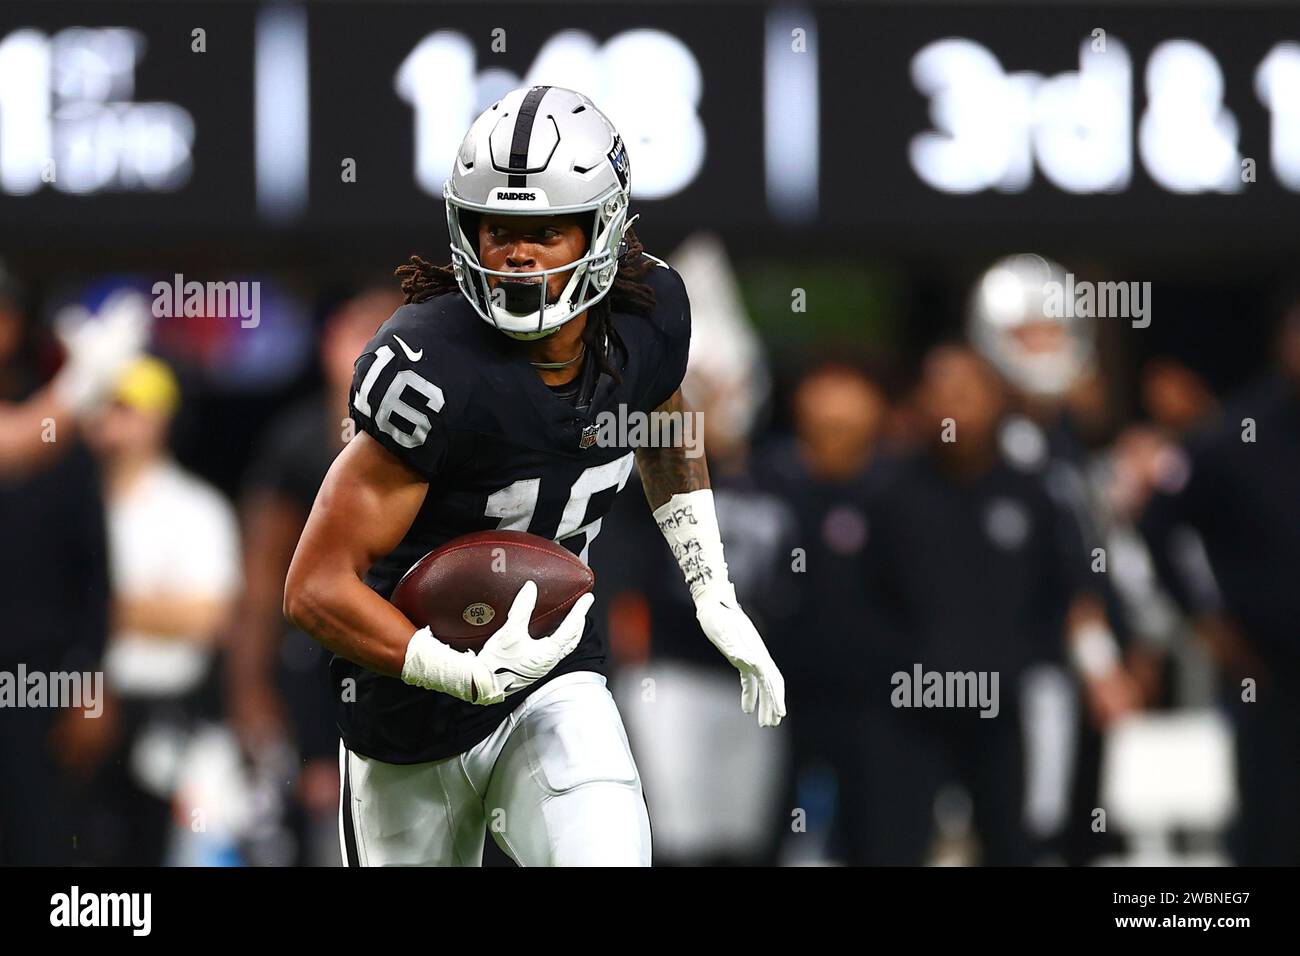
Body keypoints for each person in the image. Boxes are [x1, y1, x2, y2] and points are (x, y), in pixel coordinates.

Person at [283, 86, 785, 867]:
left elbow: (659, 419)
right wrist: (453, 669)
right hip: (405, 711)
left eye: (544, 232)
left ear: (604, 229)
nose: (516, 254)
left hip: (556, 670)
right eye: (497, 231)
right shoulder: (431, 364)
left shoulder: (648, 314)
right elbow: (313, 587)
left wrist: (709, 583)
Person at [226, 287, 401, 866]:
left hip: (411, 662)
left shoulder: (441, 437)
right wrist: (250, 690)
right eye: (358, 337)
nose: (368, 355)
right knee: (322, 834)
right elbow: (260, 577)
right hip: (315, 667)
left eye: (385, 339)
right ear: (330, 345)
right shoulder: (296, 444)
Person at [77, 356, 242, 865]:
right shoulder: (68, 506)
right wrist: (147, 610)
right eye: (104, 407)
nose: (112, 421)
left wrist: (97, 609)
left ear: (159, 417)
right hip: (71, 716)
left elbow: (209, 618)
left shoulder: (196, 509)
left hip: (163, 719)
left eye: (127, 409)